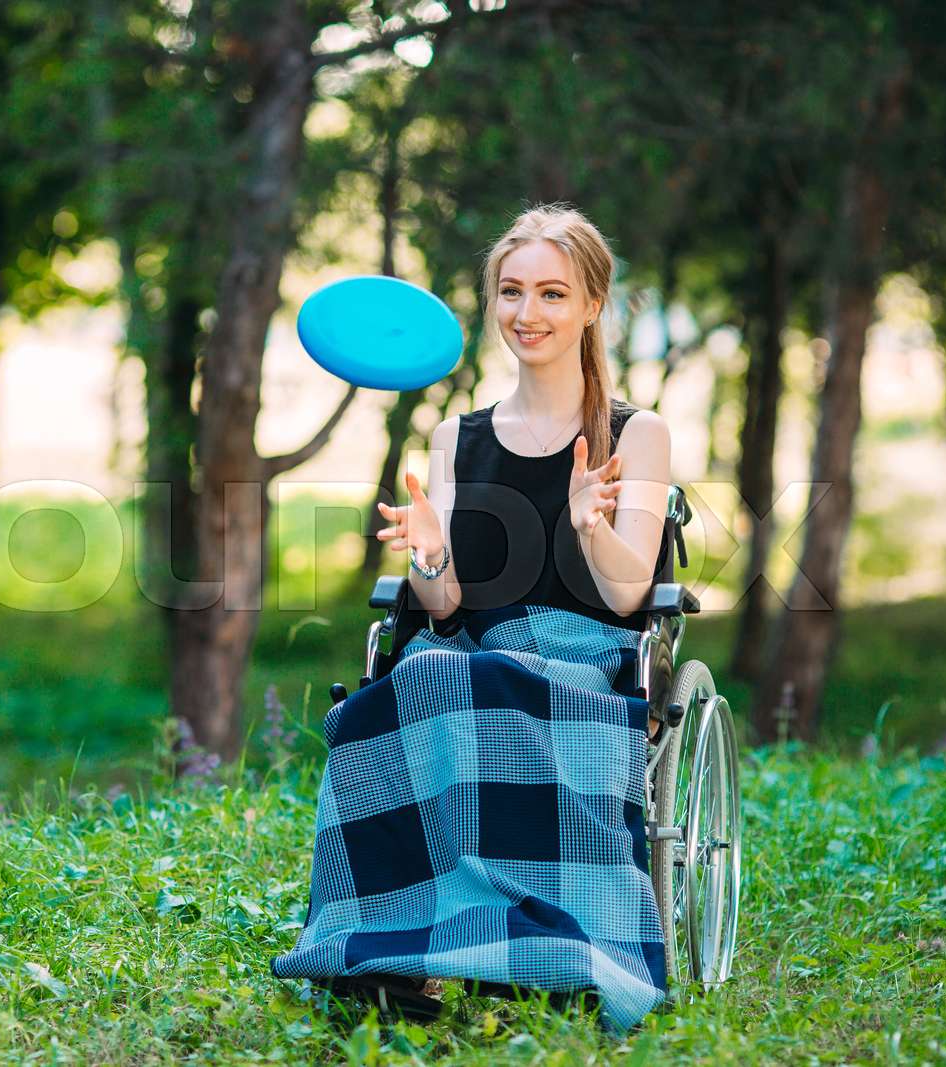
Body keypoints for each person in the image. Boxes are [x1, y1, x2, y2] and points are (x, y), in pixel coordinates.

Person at [273, 205, 671, 1032]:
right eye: (512, 291)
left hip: (583, 662)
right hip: (476, 649)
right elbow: (446, 604)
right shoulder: (460, 436)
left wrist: (590, 522)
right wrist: (426, 552)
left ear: (592, 305)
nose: (529, 314)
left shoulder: (637, 433)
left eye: (553, 294)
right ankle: (391, 950)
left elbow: (633, 596)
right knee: (414, 675)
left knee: (467, 681)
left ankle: (544, 949)